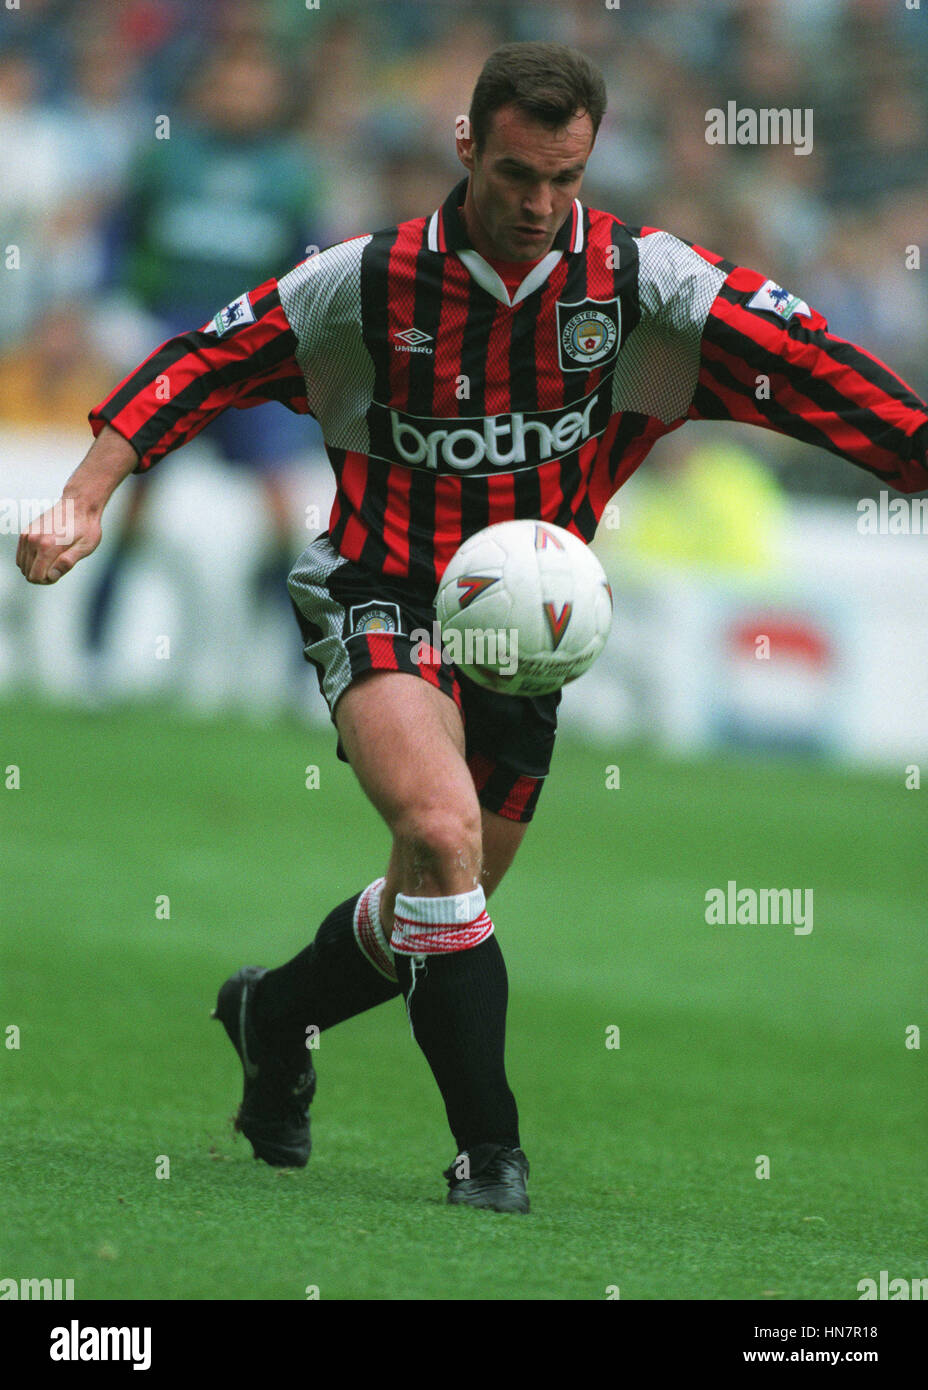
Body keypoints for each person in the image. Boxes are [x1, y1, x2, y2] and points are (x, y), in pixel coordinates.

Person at [17, 43, 928, 1214]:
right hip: (382, 589)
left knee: (433, 908)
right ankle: (490, 1156)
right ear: (466, 148)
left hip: (523, 640)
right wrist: (87, 494)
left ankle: (273, 1011)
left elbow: (809, 369)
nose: (538, 206)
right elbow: (202, 362)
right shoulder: (368, 280)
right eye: (514, 176)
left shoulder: (646, 284)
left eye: (564, 179)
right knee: (443, 837)